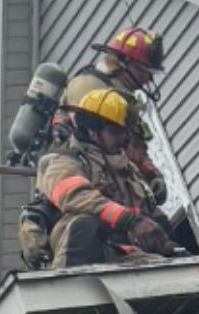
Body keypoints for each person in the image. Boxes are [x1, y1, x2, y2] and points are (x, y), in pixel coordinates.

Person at [31, 89, 173, 269]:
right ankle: (71, 285)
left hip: (129, 257)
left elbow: (147, 214)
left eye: (125, 132)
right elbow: (73, 196)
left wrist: (162, 235)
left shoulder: (129, 170)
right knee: (84, 224)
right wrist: (128, 220)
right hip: (92, 253)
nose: (123, 139)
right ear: (91, 130)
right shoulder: (66, 162)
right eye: (115, 132)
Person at [59, 26, 169, 205]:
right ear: (124, 62)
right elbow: (89, 142)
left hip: (118, 183)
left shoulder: (122, 98)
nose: (149, 79)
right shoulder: (87, 87)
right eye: (144, 71)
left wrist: (151, 174)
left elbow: (133, 143)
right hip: (90, 184)